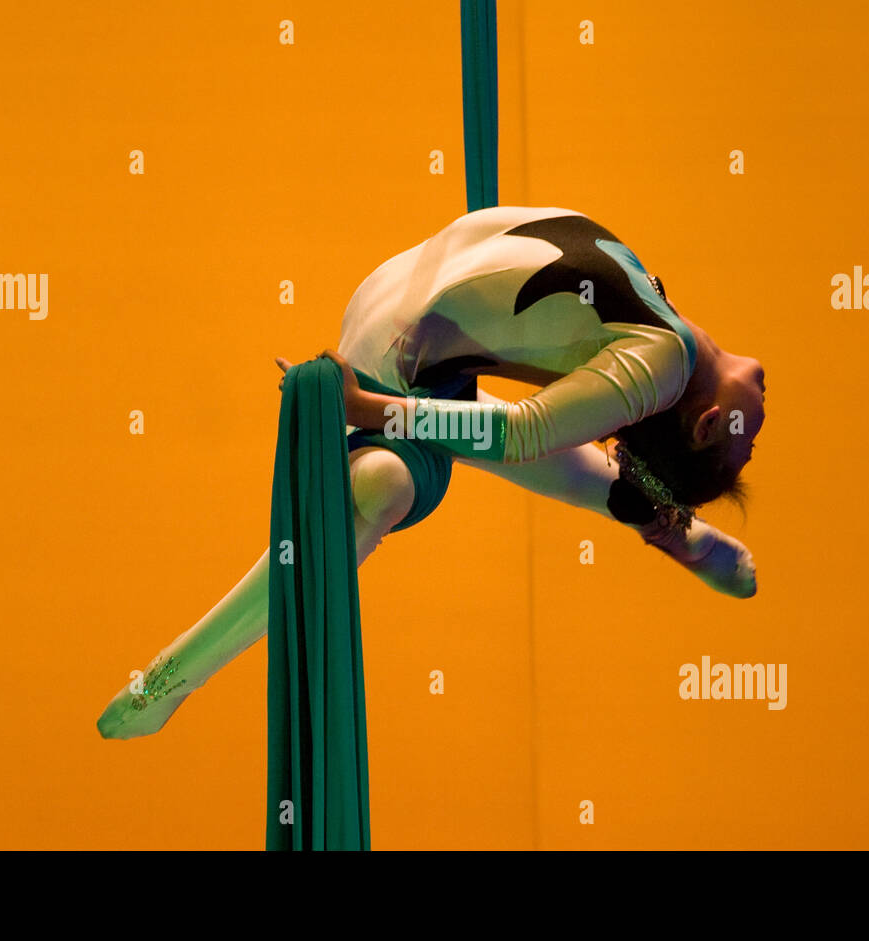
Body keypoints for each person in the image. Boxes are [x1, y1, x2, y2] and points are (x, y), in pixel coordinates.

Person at [97, 205, 766, 740]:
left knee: (426, 461)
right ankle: (175, 676)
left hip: (396, 315)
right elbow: (516, 433)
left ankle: (665, 523)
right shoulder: (666, 349)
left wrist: (375, 406)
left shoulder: (663, 335)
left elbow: (515, 429)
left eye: (747, 445)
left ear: (706, 422)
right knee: (388, 483)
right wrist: (371, 408)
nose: (761, 424)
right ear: (704, 422)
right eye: (749, 447)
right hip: (401, 367)